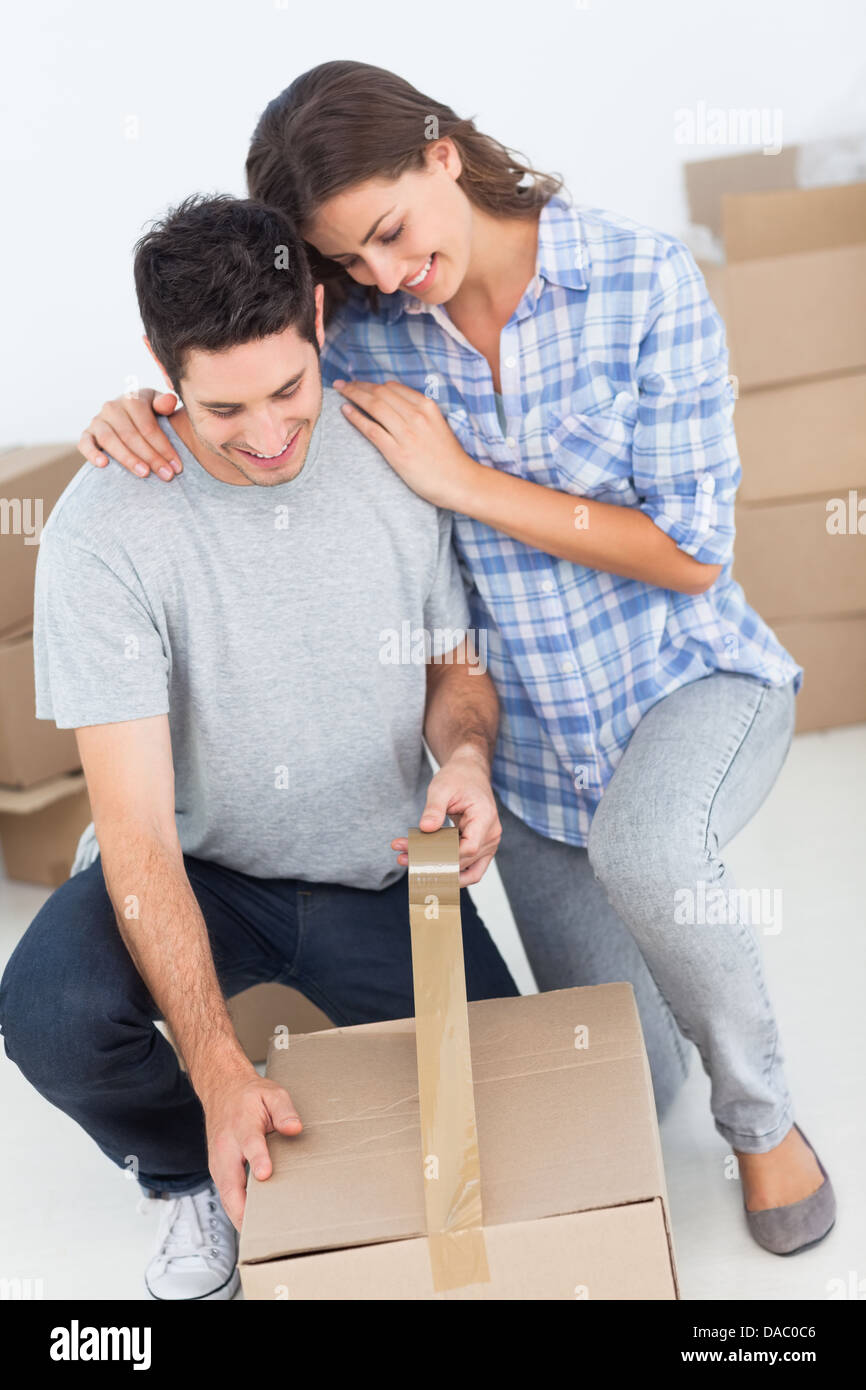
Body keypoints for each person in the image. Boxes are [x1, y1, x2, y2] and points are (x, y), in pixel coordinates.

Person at [76, 62, 836, 1257]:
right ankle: (681, 1013)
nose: (383, 273)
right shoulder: (366, 328)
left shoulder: (638, 280)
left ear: (440, 152)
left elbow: (693, 553)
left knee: (648, 845)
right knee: (620, 1090)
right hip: (525, 753)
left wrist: (465, 483)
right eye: (352, 262)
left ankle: (768, 1125)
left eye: (386, 233)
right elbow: (253, 365)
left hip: (686, 680)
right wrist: (147, 408)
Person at [0, 193, 520, 1301]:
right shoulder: (105, 530)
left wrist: (465, 759)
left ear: (319, 319)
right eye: (223, 407)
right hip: (200, 868)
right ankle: (185, 1168)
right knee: (48, 1011)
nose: (271, 433)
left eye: (288, 389)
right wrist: (215, 1071)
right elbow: (134, 834)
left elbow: (451, 670)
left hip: (373, 866)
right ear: (159, 367)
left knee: (515, 1097)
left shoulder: (392, 454)